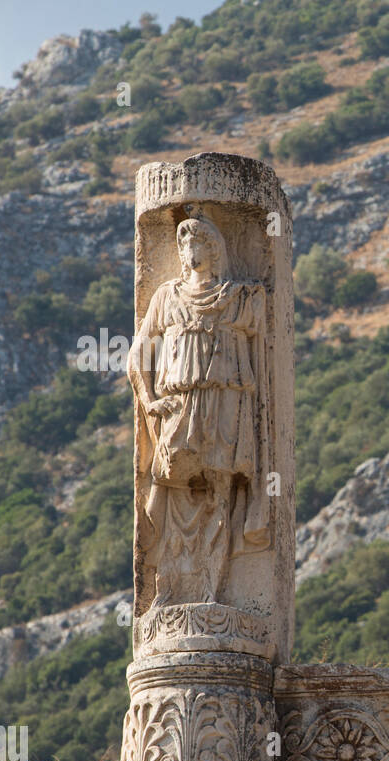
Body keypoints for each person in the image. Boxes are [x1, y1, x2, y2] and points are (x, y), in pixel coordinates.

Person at [128, 212, 271, 608]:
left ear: (214, 250)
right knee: (170, 492)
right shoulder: (166, 296)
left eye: (199, 245)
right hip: (179, 405)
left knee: (220, 496)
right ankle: (169, 588)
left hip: (226, 404)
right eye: (184, 245)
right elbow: (138, 354)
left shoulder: (239, 298)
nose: (190, 252)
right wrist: (149, 400)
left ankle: (212, 589)